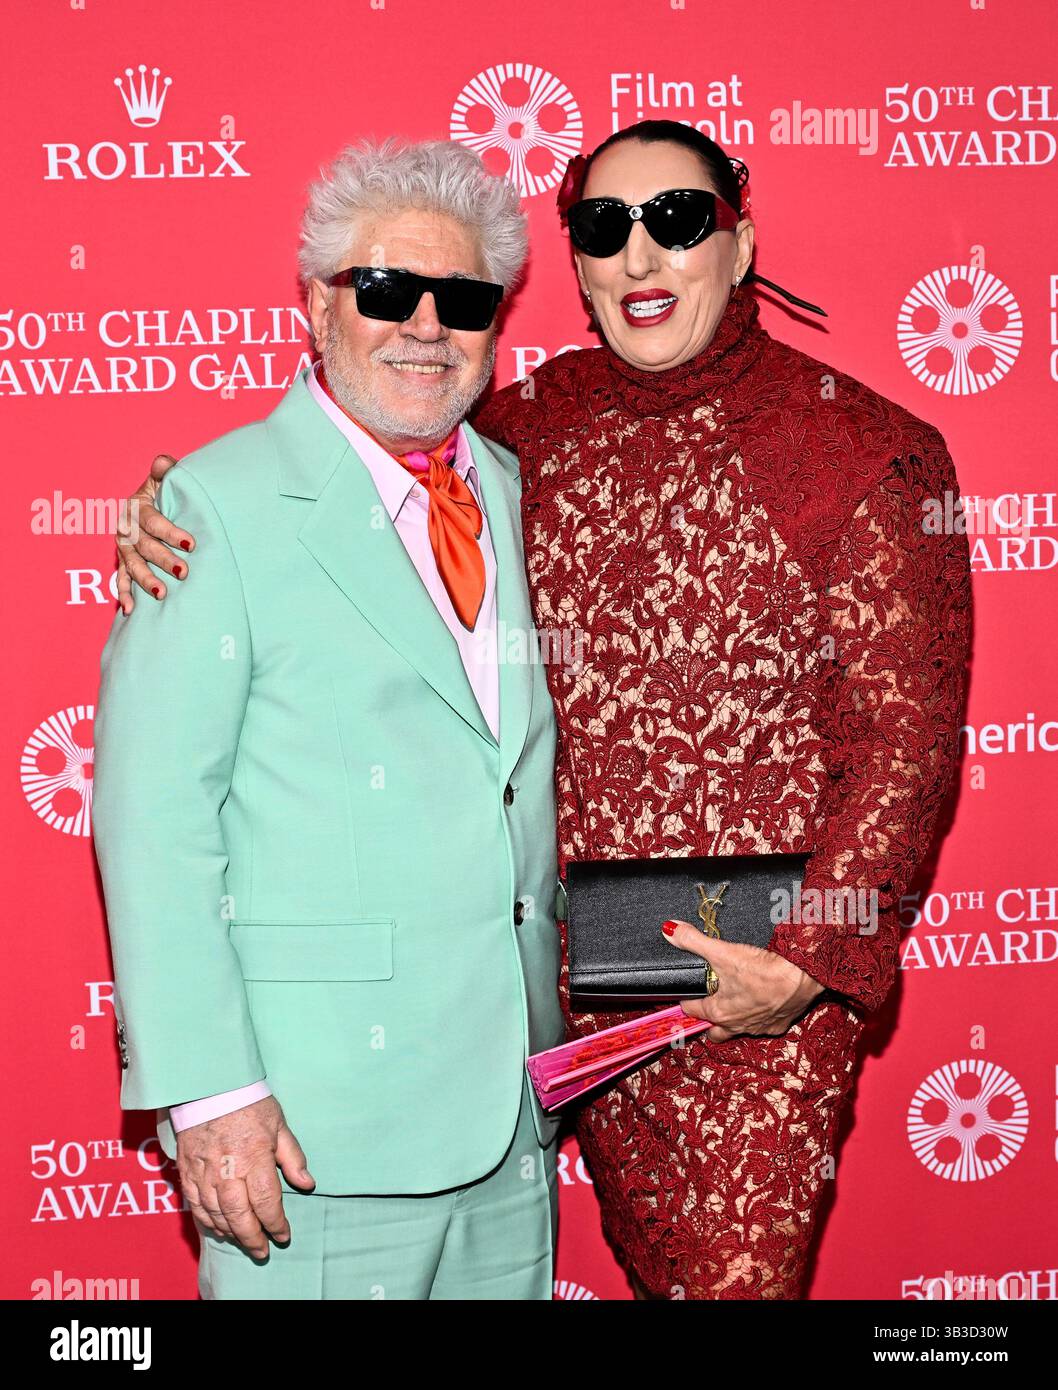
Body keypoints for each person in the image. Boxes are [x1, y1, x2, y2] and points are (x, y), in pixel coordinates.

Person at [114, 121, 972, 1300]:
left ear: (739, 241)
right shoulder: (526, 436)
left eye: (675, 219)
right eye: (601, 227)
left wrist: (812, 963)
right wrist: (174, 502)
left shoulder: (862, 450)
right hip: (558, 1028)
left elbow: (904, 745)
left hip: (751, 1011)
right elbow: (163, 801)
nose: (638, 253)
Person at [93, 137, 564, 1301]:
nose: (424, 327)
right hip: (310, 1135)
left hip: (510, 1118)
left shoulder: (517, 486)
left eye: (460, 298)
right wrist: (208, 1094)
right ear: (315, 304)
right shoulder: (217, 503)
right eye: (385, 290)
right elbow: (153, 816)